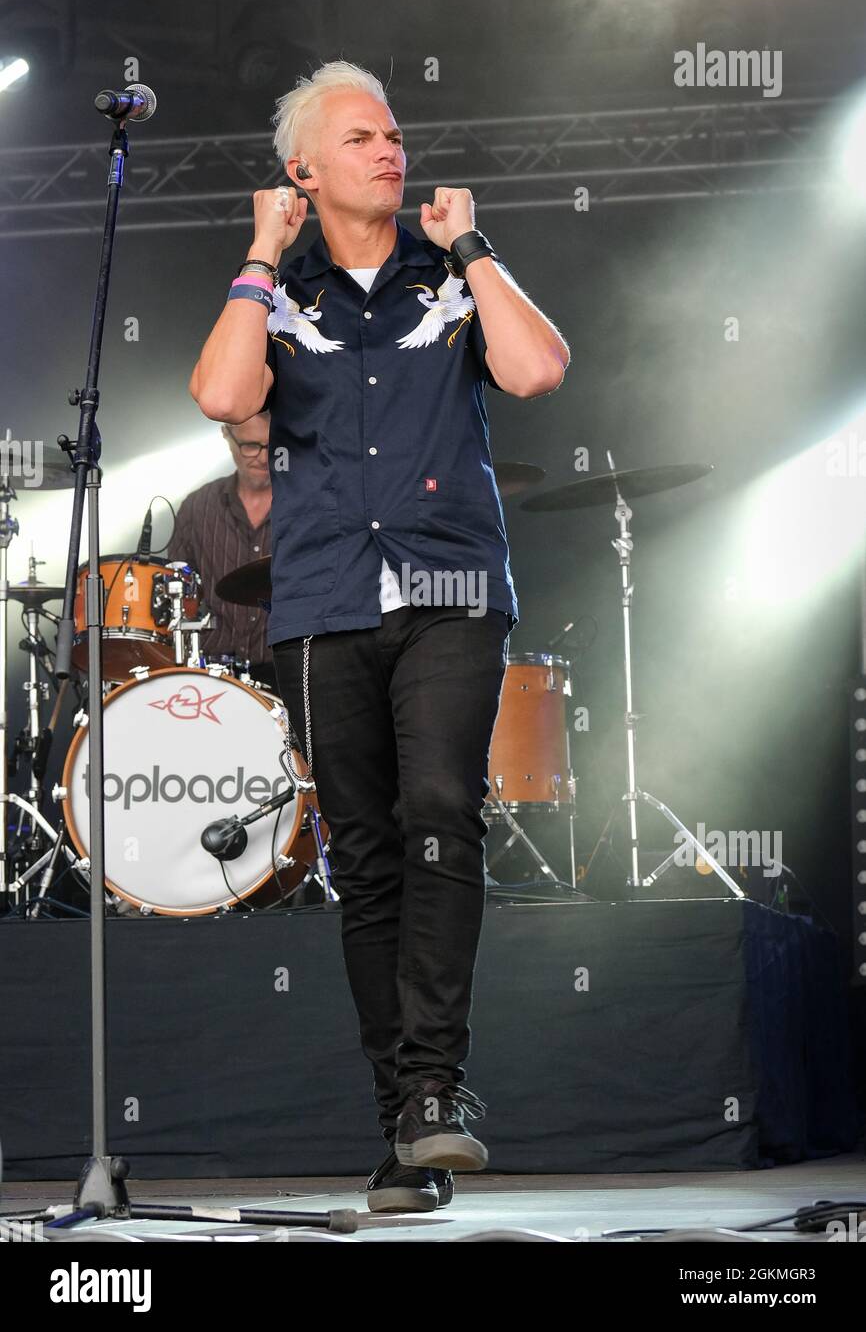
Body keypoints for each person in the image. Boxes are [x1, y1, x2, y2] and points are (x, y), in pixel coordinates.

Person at [188, 60, 569, 1213]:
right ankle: (400, 1126)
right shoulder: (281, 290)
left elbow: (536, 367)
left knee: (440, 810)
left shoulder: (446, 275)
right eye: (360, 138)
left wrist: (474, 245)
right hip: (322, 599)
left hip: (450, 583)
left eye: (394, 133)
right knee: (363, 861)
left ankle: (437, 1092)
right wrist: (259, 254)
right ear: (302, 169)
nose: (390, 150)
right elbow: (219, 393)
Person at [168, 412, 275, 687]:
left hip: (287, 668)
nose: (263, 458)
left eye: (271, 444)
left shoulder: (306, 506)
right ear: (227, 435)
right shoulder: (198, 507)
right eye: (250, 446)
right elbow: (178, 593)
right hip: (212, 673)